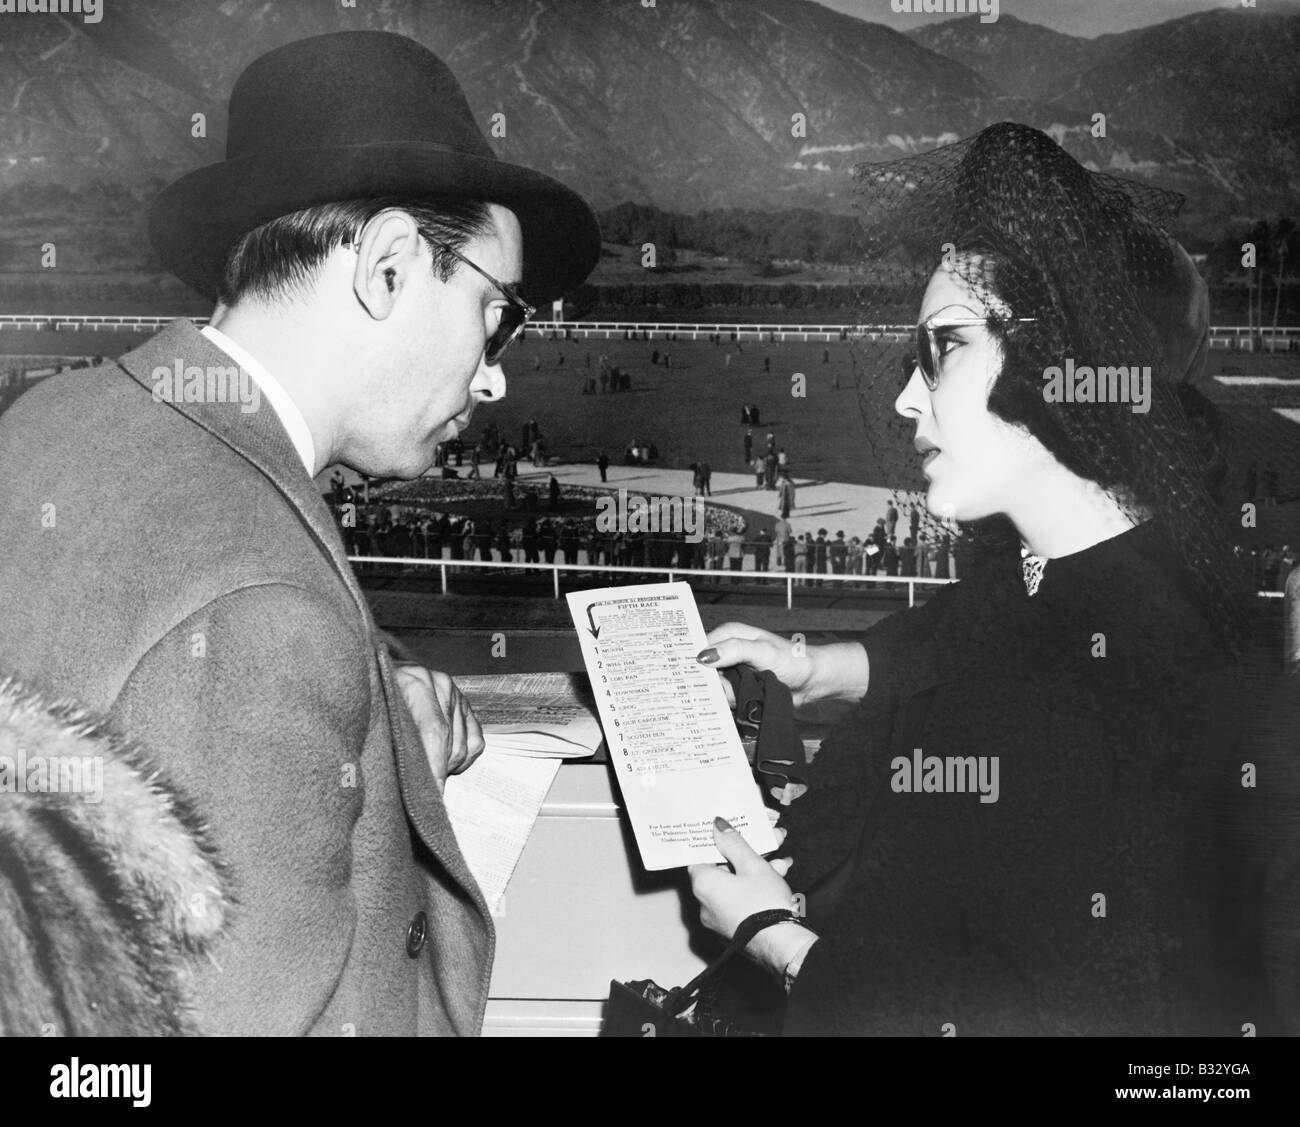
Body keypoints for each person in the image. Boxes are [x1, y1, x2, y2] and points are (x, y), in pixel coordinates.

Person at [0, 32, 599, 1036]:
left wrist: (371, 729)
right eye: (496, 316)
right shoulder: (268, 607)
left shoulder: (45, 423)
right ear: (391, 266)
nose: (494, 375)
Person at [685, 123, 1271, 1035]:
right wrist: (809, 662)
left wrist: (775, 939)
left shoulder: (1121, 678)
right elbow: (971, 626)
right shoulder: (1066, 571)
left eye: (944, 348)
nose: (905, 398)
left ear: (1057, 359)